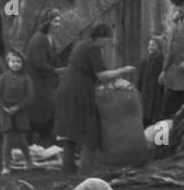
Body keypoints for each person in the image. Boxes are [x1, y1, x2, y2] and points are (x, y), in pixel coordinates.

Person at [54, 22, 135, 176]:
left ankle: (67, 168)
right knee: (89, 131)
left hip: (66, 88)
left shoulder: (81, 45)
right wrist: (123, 71)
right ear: (99, 37)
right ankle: (85, 172)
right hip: (79, 91)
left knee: (71, 131)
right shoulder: (92, 49)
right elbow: (101, 75)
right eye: (106, 39)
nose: (107, 43)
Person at [0, 49, 36, 175]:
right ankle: (6, 165)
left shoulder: (26, 78)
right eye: (12, 61)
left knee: (22, 139)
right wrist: (3, 106)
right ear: (8, 63)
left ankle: (28, 160)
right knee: (7, 140)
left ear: (22, 63)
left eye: (18, 61)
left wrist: (18, 107)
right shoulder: (3, 77)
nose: (15, 64)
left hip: (20, 111)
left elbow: (30, 96)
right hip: (5, 111)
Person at [24, 9, 61, 145]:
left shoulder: (50, 38)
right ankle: (32, 140)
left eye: (59, 21)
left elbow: (54, 58)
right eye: (55, 21)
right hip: (37, 80)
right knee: (37, 108)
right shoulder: (39, 38)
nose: (58, 24)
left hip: (46, 80)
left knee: (49, 107)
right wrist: (55, 70)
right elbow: (38, 63)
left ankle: (44, 139)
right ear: (48, 22)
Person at [137, 35, 167, 125]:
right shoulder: (144, 62)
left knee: (159, 124)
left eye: (153, 45)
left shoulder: (164, 62)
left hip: (158, 99)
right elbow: (139, 81)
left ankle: (160, 139)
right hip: (145, 99)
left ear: (160, 47)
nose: (149, 47)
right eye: (149, 45)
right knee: (145, 124)